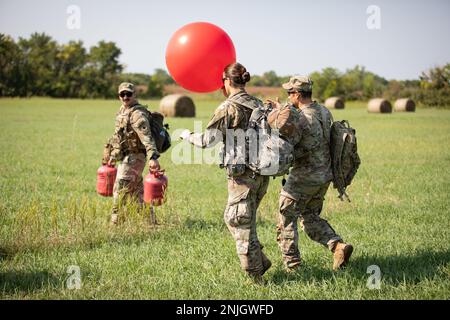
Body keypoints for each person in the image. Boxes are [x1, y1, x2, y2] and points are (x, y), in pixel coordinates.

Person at [179, 63, 272, 282]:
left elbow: (207, 140)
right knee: (241, 219)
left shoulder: (228, 107)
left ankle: (256, 278)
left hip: (242, 177)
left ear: (227, 81)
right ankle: (260, 260)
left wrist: (186, 135)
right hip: (262, 174)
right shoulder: (258, 104)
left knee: (238, 221)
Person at [268, 75, 353, 271]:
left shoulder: (301, 117)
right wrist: (284, 110)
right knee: (309, 216)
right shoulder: (324, 110)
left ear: (297, 94)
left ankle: (293, 265)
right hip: (324, 175)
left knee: (286, 217)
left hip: (303, 177)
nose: (288, 97)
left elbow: (288, 144)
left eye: (290, 93)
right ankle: (337, 246)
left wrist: (277, 116)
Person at [102, 82, 160, 225]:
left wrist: (153, 157)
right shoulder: (122, 111)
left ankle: (115, 224)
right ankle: (151, 223)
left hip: (135, 157)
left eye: (129, 94)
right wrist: (112, 156)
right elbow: (119, 137)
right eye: (122, 94)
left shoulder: (137, 114)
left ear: (135, 95)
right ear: (119, 96)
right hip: (126, 157)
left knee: (120, 189)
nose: (125, 97)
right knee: (137, 193)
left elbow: (147, 138)